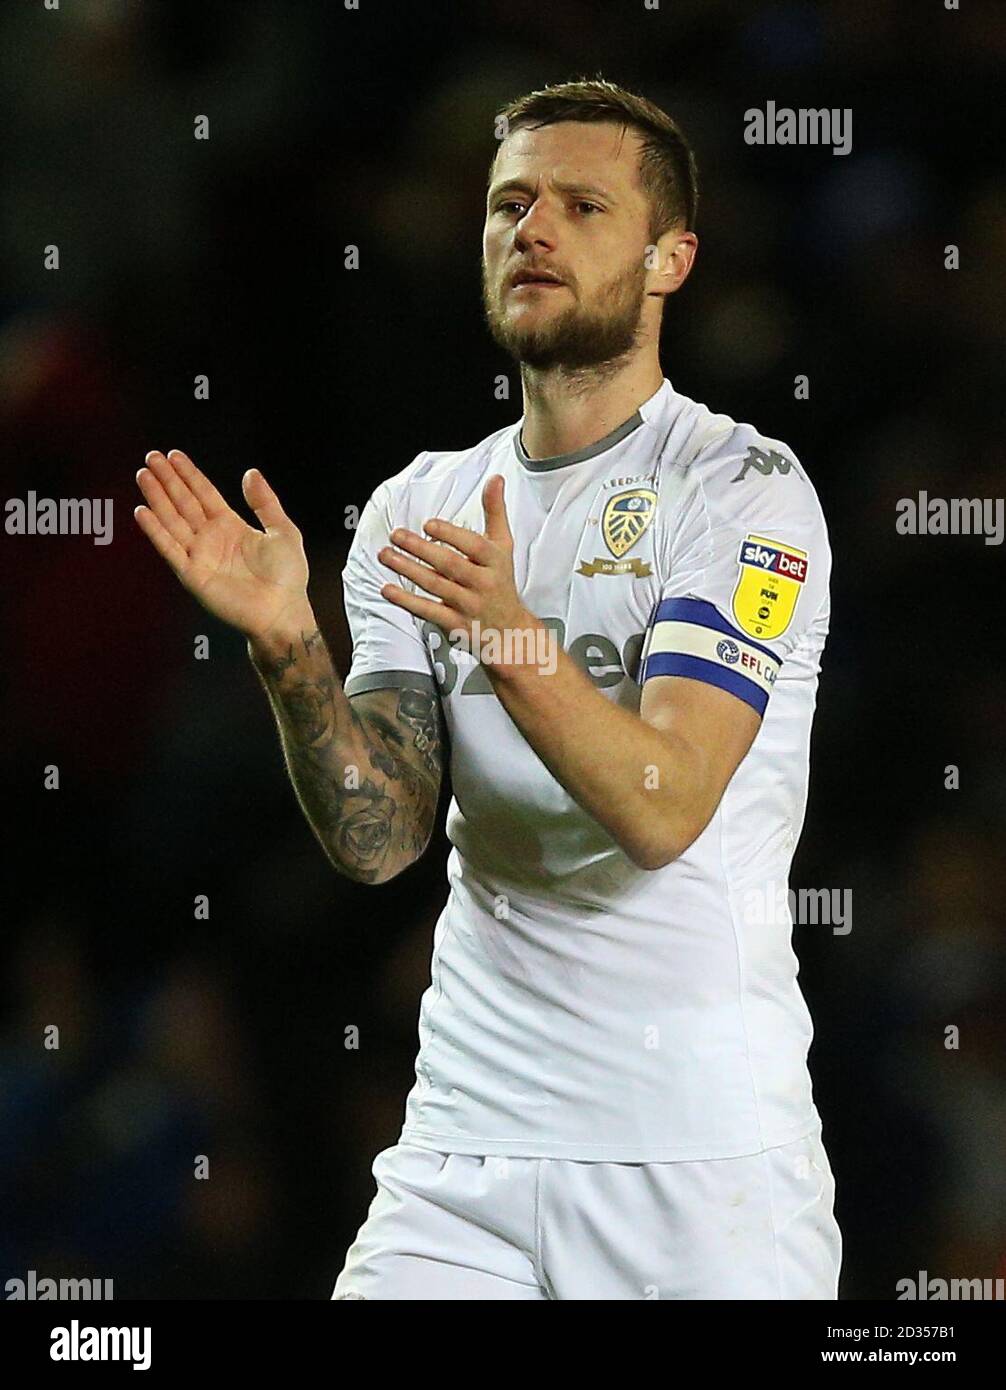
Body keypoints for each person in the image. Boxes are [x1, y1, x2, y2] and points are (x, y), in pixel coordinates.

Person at [135, 78, 841, 1300]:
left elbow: (664, 805)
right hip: (463, 1150)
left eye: (581, 204)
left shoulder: (742, 491)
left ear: (671, 256)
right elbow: (381, 834)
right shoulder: (421, 508)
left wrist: (513, 639)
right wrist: (289, 649)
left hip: (694, 1165)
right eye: (509, 203)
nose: (535, 230)